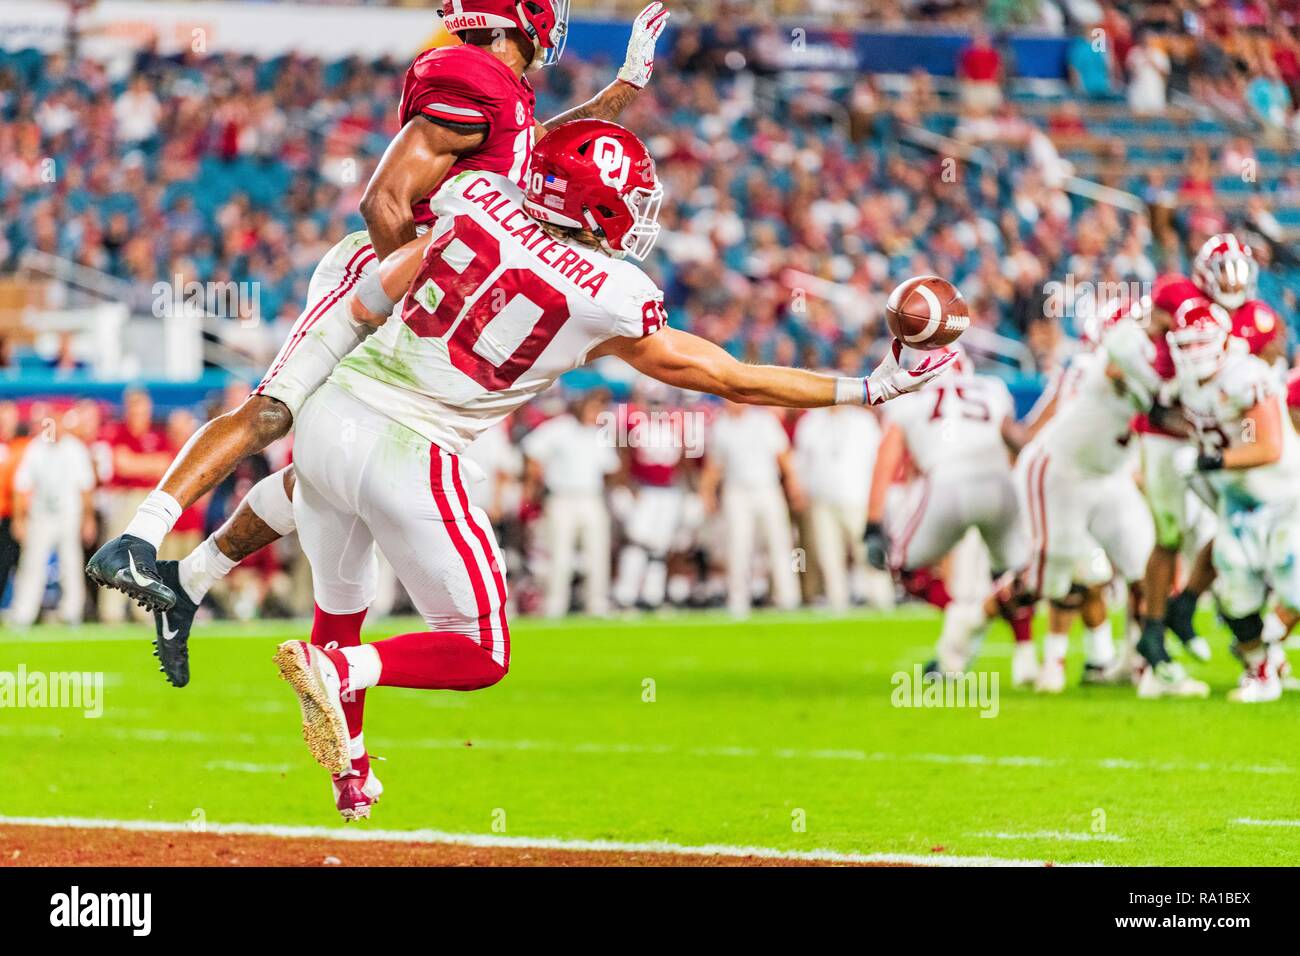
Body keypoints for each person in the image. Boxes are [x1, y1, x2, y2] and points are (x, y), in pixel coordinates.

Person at [273, 119, 954, 817]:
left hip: (328, 418)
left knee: (341, 602)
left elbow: (411, 193)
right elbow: (734, 379)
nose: (639, 211)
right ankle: (342, 670)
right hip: (408, 445)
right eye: (630, 196)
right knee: (481, 651)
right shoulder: (609, 292)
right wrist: (869, 388)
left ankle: (349, 774)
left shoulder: (475, 193)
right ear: (596, 202)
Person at [86, 0, 672, 633]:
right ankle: (138, 540)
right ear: (515, 17)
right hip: (378, 272)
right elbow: (383, 197)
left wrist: (626, 84)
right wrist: (413, 303)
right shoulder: (472, 77)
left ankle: (191, 578)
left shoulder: (506, 97)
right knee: (275, 408)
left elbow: (553, 151)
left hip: (411, 280)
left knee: (332, 459)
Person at [866, 347, 1034, 683]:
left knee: (902, 565)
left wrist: (872, 523)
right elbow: (1011, 438)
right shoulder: (992, 389)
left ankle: (964, 617)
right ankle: (1026, 657)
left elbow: (888, 457)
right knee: (1013, 575)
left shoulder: (909, 399)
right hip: (999, 481)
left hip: (945, 484)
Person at [1169, 299, 1300, 702]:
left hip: (1283, 498)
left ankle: (1272, 645)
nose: (1193, 353)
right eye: (1186, 344)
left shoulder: (1246, 376)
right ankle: (1261, 671)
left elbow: (1267, 447)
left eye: (1200, 343)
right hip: (1238, 504)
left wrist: (1207, 459)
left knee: (1294, 587)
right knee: (1235, 592)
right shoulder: (1186, 385)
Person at [700, 401, 804, 618]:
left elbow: (783, 455)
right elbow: (715, 464)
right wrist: (707, 492)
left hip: (767, 488)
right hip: (737, 491)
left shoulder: (764, 421)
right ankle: (738, 600)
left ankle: (788, 597)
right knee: (738, 546)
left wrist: (793, 485)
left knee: (780, 543)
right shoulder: (721, 426)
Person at [522, 391, 619, 618]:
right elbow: (532, 449)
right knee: (560, 554)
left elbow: (610, 468)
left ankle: (597, 604)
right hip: (561, 498)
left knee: (597, 552)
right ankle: (555, 605)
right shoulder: (558, 428)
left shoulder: (599, 434)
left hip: (591, 497)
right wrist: (534, 482)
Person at [793, 402, 887, 612]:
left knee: (867, 552)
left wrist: (875, 497)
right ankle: (838, 603)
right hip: (822, 501)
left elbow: (878, 459)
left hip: (857, 498)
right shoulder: (810, 422)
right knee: (828, 556)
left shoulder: (863, 421)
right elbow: (801, 462)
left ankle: (882, 599)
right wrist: (802, 491)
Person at [8, 409, 97, 626]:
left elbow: (86, 487)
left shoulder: (75, 449)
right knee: (32, 564)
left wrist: (88, 519)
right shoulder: (36, 448)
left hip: (69, 515)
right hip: (41, 517)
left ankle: (71, 613)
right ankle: (23, 614)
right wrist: (19, 519)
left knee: (71, 564)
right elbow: (21, 486)